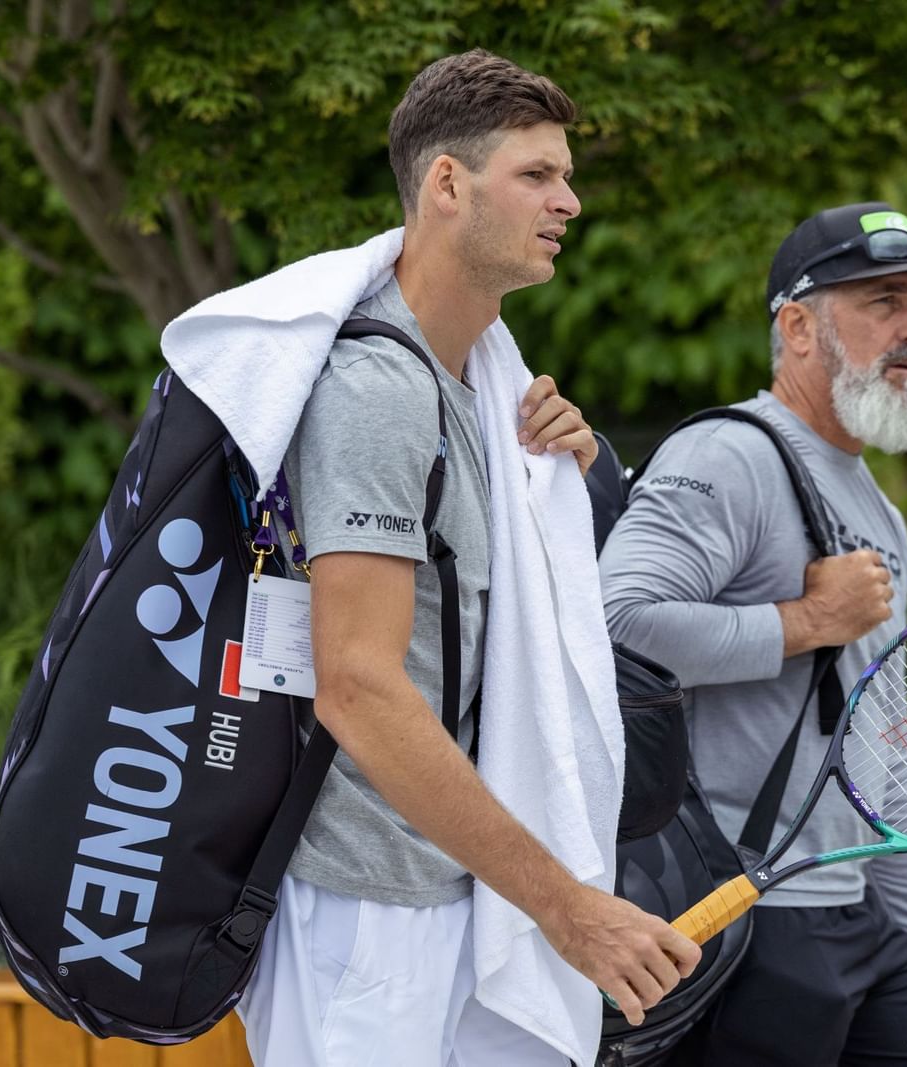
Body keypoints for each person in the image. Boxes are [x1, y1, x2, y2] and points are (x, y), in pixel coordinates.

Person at [225, 50, 700, 1066]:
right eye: (537, 174)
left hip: (459, 895)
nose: (568, 200)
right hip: (368, 914)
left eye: (565, 175)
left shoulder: (486, 389)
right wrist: (568, 907)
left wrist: (565, 483)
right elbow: (356, 685)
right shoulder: (373, 390)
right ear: (447, 183)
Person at [601, 201, 907, 1067]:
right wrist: (807, 622)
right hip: (742, 914)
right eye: (884, 302)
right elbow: (618, 622)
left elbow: (887, 752)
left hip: (856, 913)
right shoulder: (729, 455)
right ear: (797, 326)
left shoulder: (880, 511)